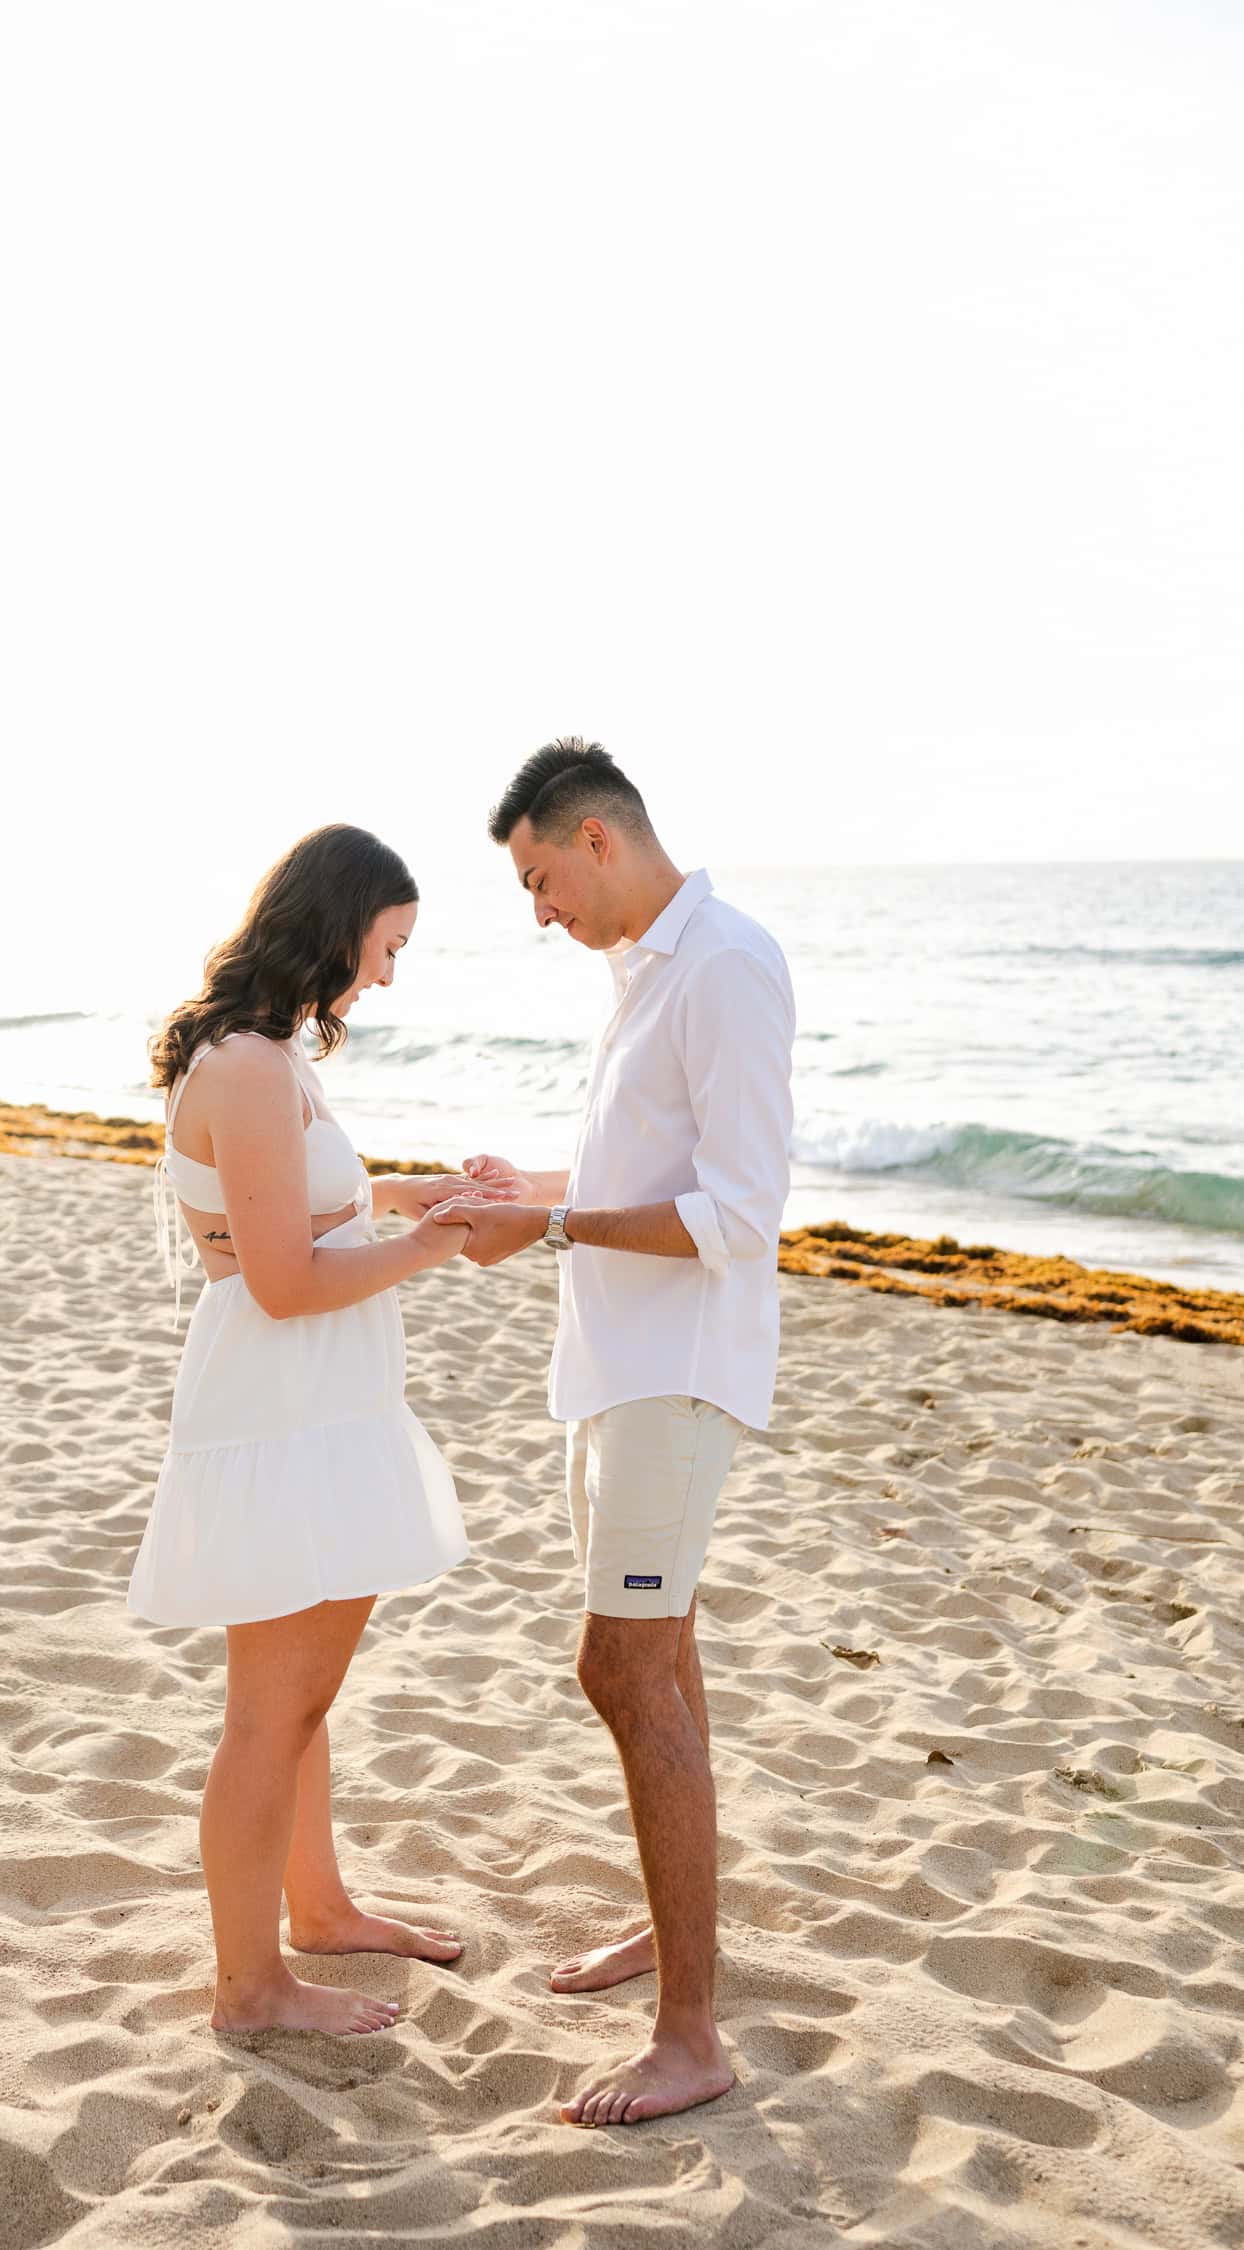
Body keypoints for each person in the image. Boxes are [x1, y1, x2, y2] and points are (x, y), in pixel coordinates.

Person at [431, 739, 795, 2126]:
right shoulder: (644, 973)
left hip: (675, 1372)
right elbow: (641, 1170)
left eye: (539, 880)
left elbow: (739, 1214)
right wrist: (531, 1188)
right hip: (614, 1369)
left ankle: (691, 2036)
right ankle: (674, 1924)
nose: (539, 911)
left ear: (595, 838)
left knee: (622, 1667)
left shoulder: (727, 964)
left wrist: (551, 1225)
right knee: (661, 1661)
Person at [128, 823, 515, 2039]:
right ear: (338, 924)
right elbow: (283, 1281)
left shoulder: (265, 1052)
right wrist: (429, 1246)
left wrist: (394, 1196)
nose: (387, 976)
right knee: (271, 1711)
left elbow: (283, 1211)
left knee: (298, 1700)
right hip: (286, 1408)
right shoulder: (248, 1065)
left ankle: (322, 1908)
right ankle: (250, 1990)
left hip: (313, 1405)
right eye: (387, 947)